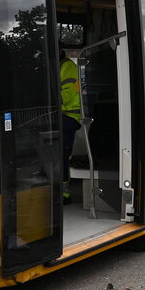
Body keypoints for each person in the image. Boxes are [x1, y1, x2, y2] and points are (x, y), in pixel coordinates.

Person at [60, 47, 81, 204]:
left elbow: (66, 96)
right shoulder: (60, 66)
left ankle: (64, 192)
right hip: (62, 115)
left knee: (61, 154)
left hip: (69, 116)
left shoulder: (67, 66)